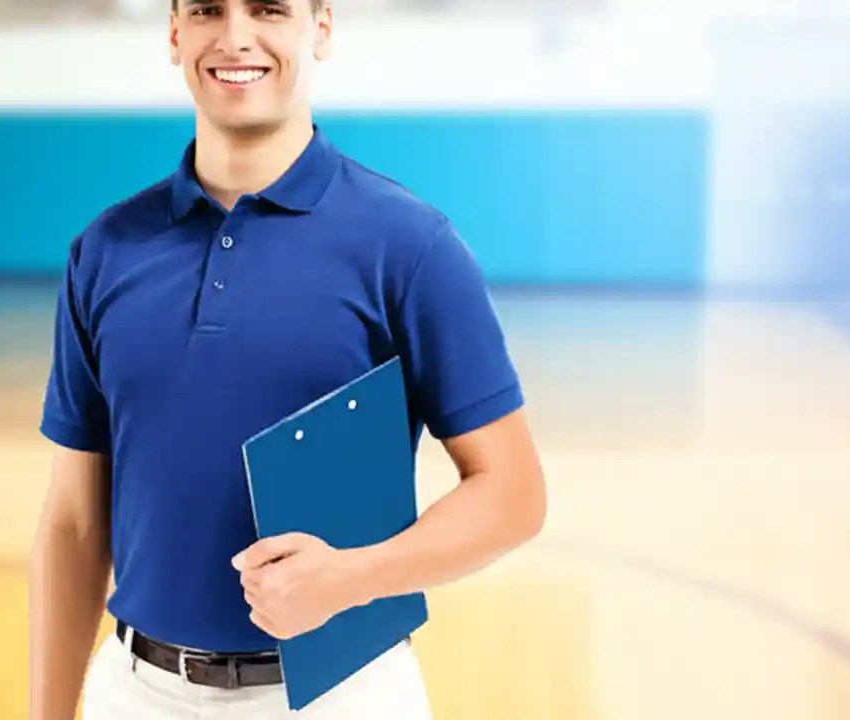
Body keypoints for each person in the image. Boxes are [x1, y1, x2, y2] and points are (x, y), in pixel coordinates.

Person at [29, 0, 547, 717]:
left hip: (342, 696)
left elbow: (513, 492)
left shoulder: (409, 246)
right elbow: (75, 524)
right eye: (209, 9)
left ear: (321, 27)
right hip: (136, 693)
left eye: (268, 9)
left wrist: (355, 577)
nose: (236, 36)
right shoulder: (104, 252)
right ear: (176, 33)